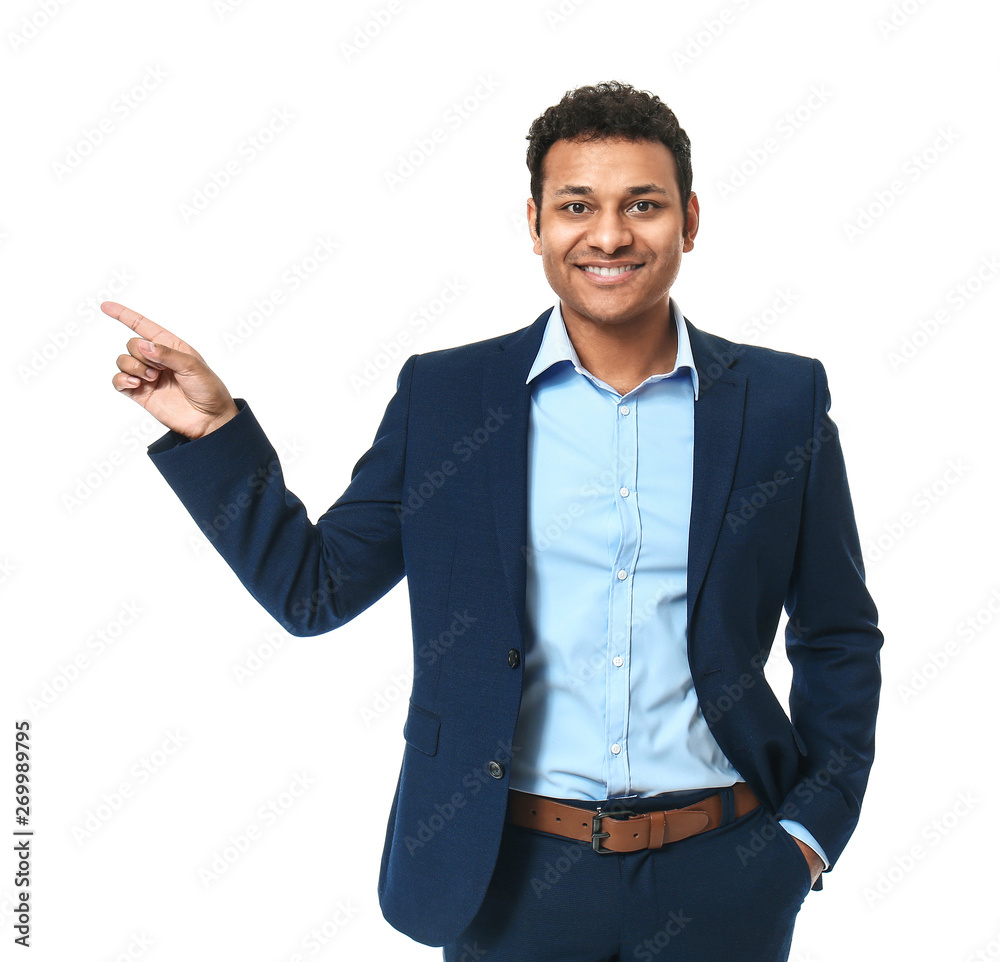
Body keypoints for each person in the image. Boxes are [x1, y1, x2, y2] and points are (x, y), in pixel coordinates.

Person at [105, 81, 882, 961]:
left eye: (644, 205)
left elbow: (839, 634)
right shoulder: (449, 398)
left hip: (727, 876)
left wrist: (808, 836)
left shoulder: (780, 400)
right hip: (507, 882)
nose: (610, 234)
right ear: (536, 224)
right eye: (576, 205)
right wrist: (214, 432)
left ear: (689, 219)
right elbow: (313, 590)